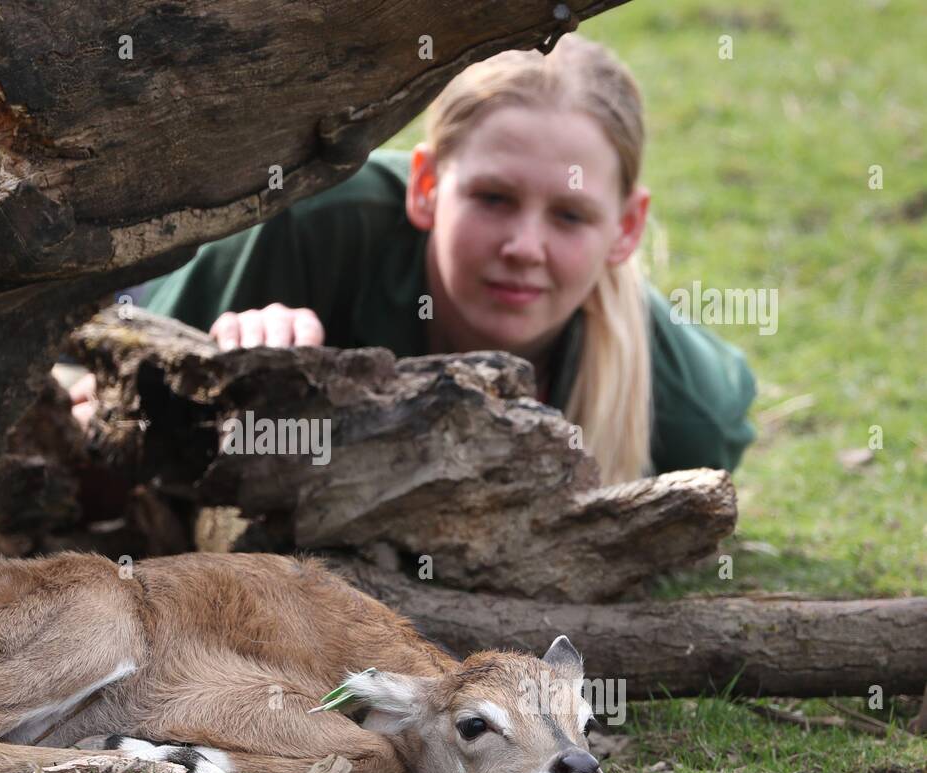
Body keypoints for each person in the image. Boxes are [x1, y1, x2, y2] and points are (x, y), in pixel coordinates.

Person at [71, 35, 756, 484]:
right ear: (427, 187)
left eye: (571, 214)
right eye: (492, 198)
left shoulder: (690, 414)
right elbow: (94, 390)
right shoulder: (312, 223)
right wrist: (241, 360)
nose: (524, 247)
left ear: (626, 228)